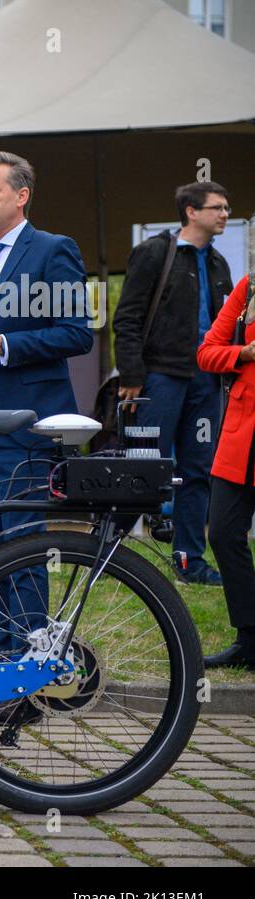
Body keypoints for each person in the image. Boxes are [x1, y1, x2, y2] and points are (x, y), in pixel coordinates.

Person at [0, 151, 94, 664]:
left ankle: (30, 663)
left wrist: (6, 345)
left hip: (26, 422)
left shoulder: (51, 250)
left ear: (22, 195)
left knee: (24, 543)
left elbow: (75, 333)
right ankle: (4, 658)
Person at [113, 182, 233, 585]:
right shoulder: (154, 252)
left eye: (226, 207)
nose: (224, 214)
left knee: (198, 468)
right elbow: (127, 316)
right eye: (217, 207)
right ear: (191, 211)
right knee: (143, 466)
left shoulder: (218, 264)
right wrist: (130, 374)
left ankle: (189, 562)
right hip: (159, 376)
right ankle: (107, 550)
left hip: (206, 379)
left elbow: (227, 325)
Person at [197, 273, 255, 669]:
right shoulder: (248, 287)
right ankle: (248, 639)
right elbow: (207, 353)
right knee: (221, 532)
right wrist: (245, 354)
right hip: (240, 439)